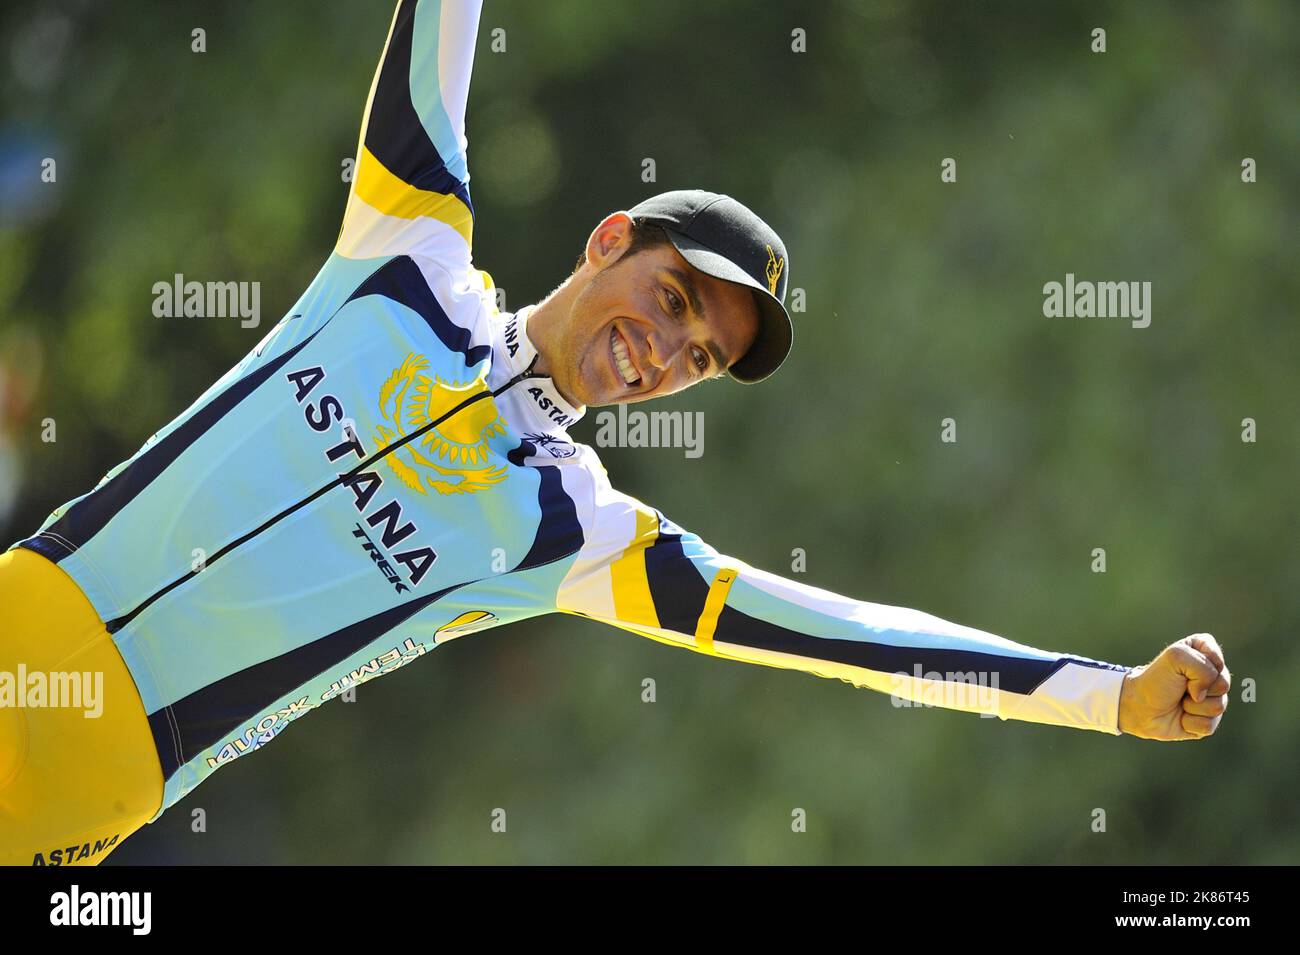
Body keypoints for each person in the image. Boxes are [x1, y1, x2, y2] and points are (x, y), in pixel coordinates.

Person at [0, 0, 1230, 867]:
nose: (667, 349)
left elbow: (857, 642)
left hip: (88, 790)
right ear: (606, 241)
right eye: (676, 299)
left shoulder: (574, 532)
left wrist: (1108, 698)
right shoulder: (406, 255)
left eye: (698, 357)